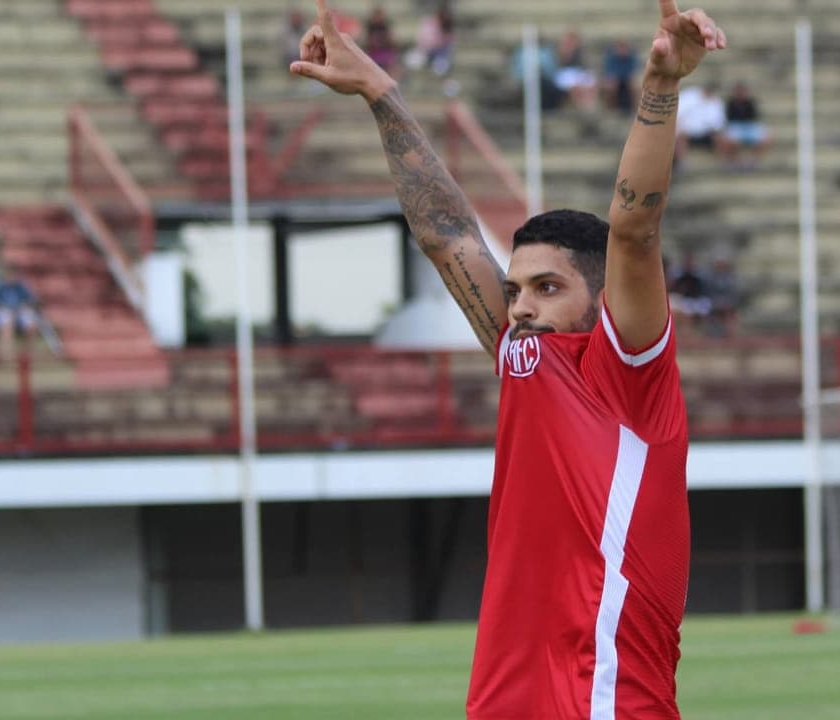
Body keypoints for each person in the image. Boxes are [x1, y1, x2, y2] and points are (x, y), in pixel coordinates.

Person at [290, 1, 726, 716]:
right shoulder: (521, 353)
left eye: (547, 288)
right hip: (506, 697)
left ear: (605, 298)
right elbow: (447, 234)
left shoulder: (629, 368)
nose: (519, 305)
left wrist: (660, 85)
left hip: (603, 696)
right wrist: (380, 93)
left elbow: (634, 229)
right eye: (516, 288)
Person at [674, 82, 731, 169]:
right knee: (681, 137)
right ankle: (681, 164)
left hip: (706, 133)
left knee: (720, 138)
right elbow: (678, 114)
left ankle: (724, 163)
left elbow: (719, 123)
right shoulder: (689, 96)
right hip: (687, 132)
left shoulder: (716, 102)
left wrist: (716, 130)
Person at [0, 267, 39, 360]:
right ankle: (6, 353)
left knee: (31, 323)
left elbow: (31, 300)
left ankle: (28, 351)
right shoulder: (0, 286)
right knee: (6, 324)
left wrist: (21, 307)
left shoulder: (21, 286)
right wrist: (4, 309)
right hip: (4, 310)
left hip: (20, 310)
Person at [724, 81, 772, 167]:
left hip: (749, 126)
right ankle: (735, 160)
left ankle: (754, 160)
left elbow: (754, 117)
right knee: (730, 140)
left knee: (765, 138)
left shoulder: (750, 103)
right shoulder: (730, 103)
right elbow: (729, 118)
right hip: (735, 126)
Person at [553, 30, 598, 112]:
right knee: (575, 86)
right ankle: (579, 106)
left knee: (590, 83)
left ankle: (588, 105)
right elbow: (560, 66)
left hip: (578, 73)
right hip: (565, 74)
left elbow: (585, 67)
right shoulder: (561, 51)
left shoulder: (581, 52)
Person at [601, 39, 640, 115]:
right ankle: (611, 110)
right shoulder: (611, 58)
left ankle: (635, 110)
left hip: (628, 79)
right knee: (611, 85)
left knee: (635, 85)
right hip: (616, 80)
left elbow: (635, 71)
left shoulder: (632, 57)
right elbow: (609, 73)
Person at [363, 6, 401, 81]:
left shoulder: (387, 27)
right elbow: (366, 42)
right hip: (373, 54)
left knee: (392, 67)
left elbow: (393, 42)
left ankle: (391, 82)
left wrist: (387, 40)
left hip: (386, 53)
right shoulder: (369, 27)